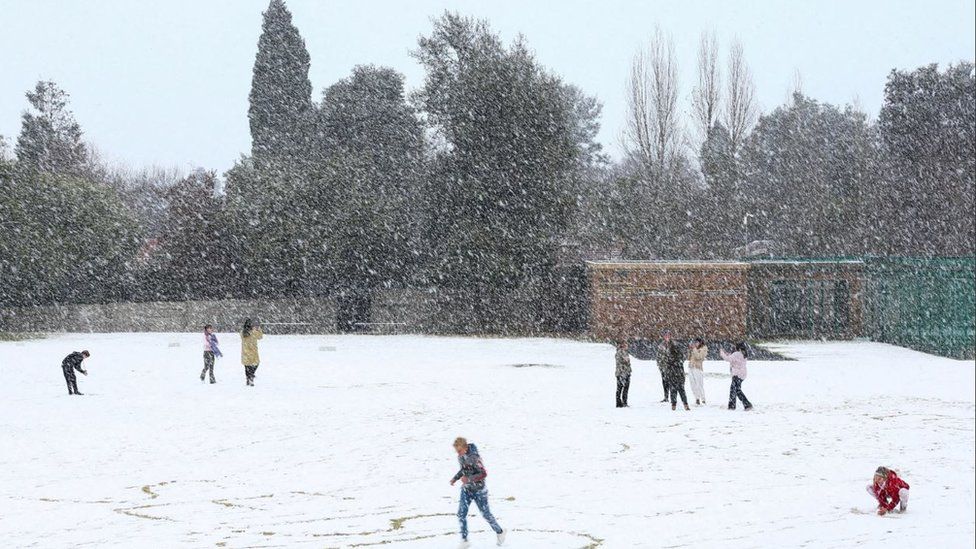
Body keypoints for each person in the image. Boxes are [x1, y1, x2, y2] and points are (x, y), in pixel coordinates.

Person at [450, 437, 506, 548]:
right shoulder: (460, 457)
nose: (458, 454)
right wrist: (455, 478)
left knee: (486, 515)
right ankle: (465, 540)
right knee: (461, 514)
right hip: (466, 490)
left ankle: (500, 532)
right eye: (457, 452)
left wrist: (469, 479)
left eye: (460, 451)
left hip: (479, 491)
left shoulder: (475, 458)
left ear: (465, 448)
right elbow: (464, 469)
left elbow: (483, 473)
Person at [659, 331, 688, 410]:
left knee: (674, 389)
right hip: (676, 372)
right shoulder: (664, 347)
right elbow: (660, 357)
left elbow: (670, 360)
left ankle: (675, 404)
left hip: (673, 372)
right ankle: (683, 404)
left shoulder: (673, 353)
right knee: (679, 389)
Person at [720, 342, 753, 411]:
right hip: (742, 374)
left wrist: (722, 353)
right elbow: (733, 358)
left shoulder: (737, 354)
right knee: (736, 390)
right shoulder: (743, 354)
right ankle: (742, 404)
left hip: (737, 374)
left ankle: (738, 405)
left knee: (734, 390)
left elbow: (728, 359)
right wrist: (728, 354)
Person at [240, 319, 264, 386]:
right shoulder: (253, 332)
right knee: (256, 364)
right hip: (253, 351)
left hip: (245, 351)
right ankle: (251, 376)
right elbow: (260, 336)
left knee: (247, 366)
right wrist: (258, 329)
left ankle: (248, 378)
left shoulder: (242, 332)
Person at [687, 337, 708, 405]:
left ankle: (703, 399)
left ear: (700, 342)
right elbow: (689, 357)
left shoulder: (704, 349)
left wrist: (694, 349)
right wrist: (690, 350)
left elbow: (699, 357)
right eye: (695, 342)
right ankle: (697, 398)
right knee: (692, 384)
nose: (696, 344)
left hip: (698, 368)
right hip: (691, 367)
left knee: (699, 384)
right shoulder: (694, 349)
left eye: (697, 342)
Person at [615, 340, 631, 408]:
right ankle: (620, 402)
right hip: (621, 373)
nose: (627, 346)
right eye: (625, 344)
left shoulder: (625, 352)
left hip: (626, 372)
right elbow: (622, 363)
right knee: (621, 388)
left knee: (624, 388)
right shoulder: (620, 353)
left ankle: (624, 402)